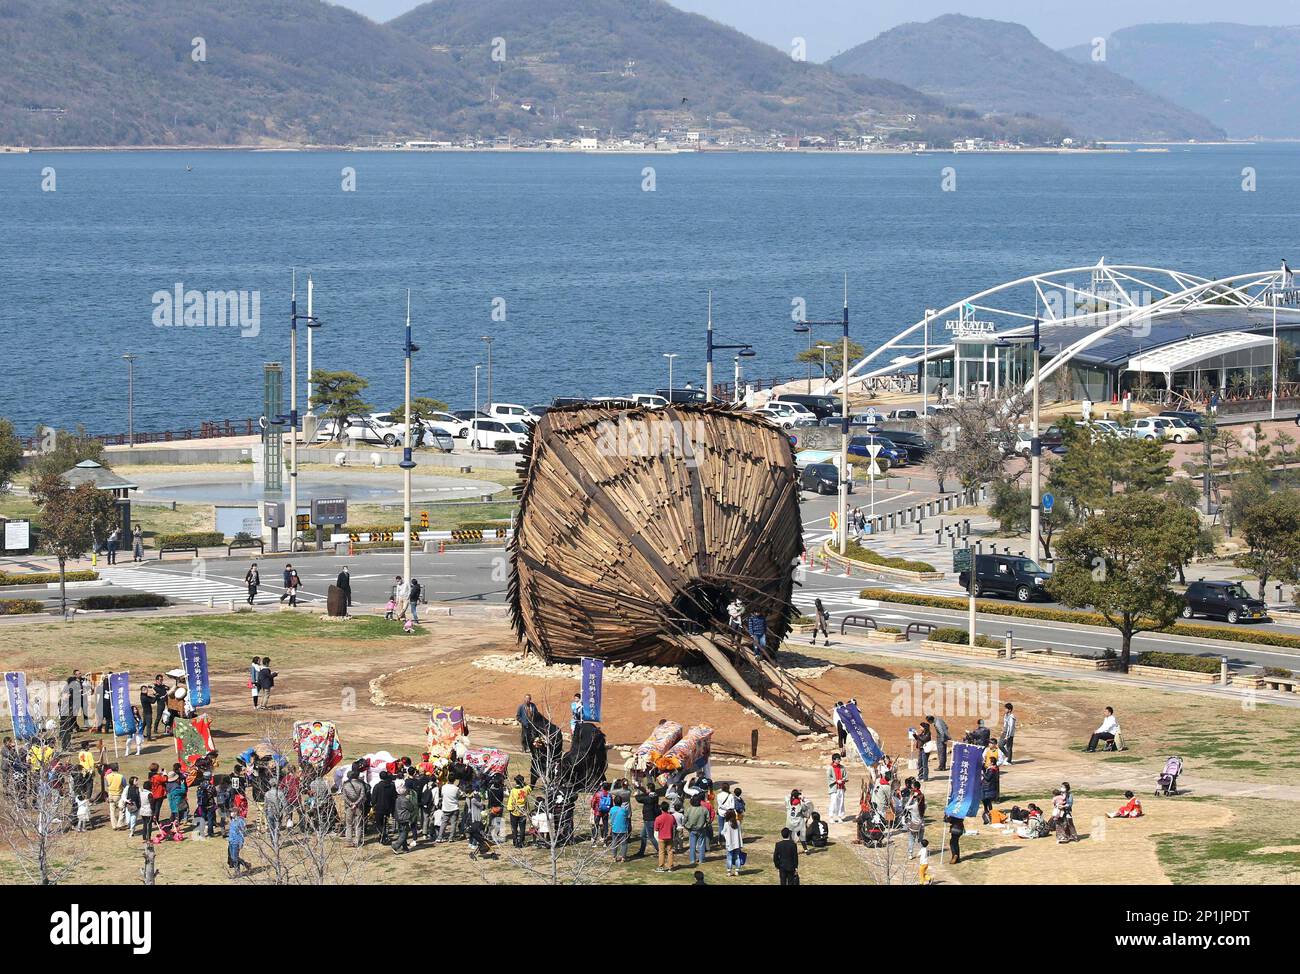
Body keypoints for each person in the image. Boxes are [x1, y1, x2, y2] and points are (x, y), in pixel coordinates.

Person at [341, 771, 367, 846]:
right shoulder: (360, 784)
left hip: (349, 807)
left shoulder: (346, 784)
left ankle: (349, 841)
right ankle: (357, 841)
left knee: (349, 824)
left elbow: (344, 796)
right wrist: (356, 803)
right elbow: (362, 795)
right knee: (358, 824)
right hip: (358, 806)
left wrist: (350, 803)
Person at [684, 795, 710, 865]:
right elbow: (708, 820)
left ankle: (692, 860)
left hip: (692, 829)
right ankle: (701, 859)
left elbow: (684, 820)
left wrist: (687, 827)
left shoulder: (689, 809)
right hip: (701, 829)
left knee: (692, 845)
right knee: (701, 845)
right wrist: (705, 825)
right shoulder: (704, 809)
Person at [507, 775, 531, 848]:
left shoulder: (513, 791)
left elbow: (511, 800)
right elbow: (529, 788)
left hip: (515, 811)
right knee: (522, 828)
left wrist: (510, 808)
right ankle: (521, 841)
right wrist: (525, 784)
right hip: (523, 811)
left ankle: (515, 841)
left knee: (514, 827)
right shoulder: (525, 789)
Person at [653, 801, 676, 872]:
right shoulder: (672, 817)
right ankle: (670, 867)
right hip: (670, 836)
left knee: (661, 852)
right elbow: (674, 824)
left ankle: (661, 867)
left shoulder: (658, 818)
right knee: (670, 852)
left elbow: (656, 829)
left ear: (661, 808)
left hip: (662, 837)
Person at [826, 753, 848, 822]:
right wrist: (836, 781)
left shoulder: (842, 767)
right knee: (833, 802)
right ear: (833, 760)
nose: (839, 760)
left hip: (841, 788)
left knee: (841, 802)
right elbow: (828, 778)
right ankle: (831, 817)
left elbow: (846, 776)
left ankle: (839, 817)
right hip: (834, 788)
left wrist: (843, 780)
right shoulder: (830, 768)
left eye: (839, 759)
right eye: (838, 759)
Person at [722, 809, 744, 876]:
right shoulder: (738, 822)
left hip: (730, 843)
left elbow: (723, 832)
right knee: (737, 856)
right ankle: (737, 871)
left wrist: (721, 833)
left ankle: (729, 871)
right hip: (737, 843)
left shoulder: (727, 824)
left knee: (729, 857)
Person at [609, 795, 631, 862]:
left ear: (614, 802)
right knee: (624, 843)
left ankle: (614, 857)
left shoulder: (612, 809)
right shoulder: (624, 810)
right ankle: (623, 857)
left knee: (614, 842)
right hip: (623, 829)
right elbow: (627, 817)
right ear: (621, 802)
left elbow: (611, 818)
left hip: (614, 828)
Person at [227, 811, 248, 876]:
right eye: (230, 812)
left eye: (232, 812)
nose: (231, 813)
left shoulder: (240, 821)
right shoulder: (232, 820)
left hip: (236, 842)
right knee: (232, 857)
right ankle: (246, 864)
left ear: (236, 813)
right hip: (231, 841)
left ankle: (237, 872)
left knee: (234, 857)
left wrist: (241, 843)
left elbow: (242, 833)